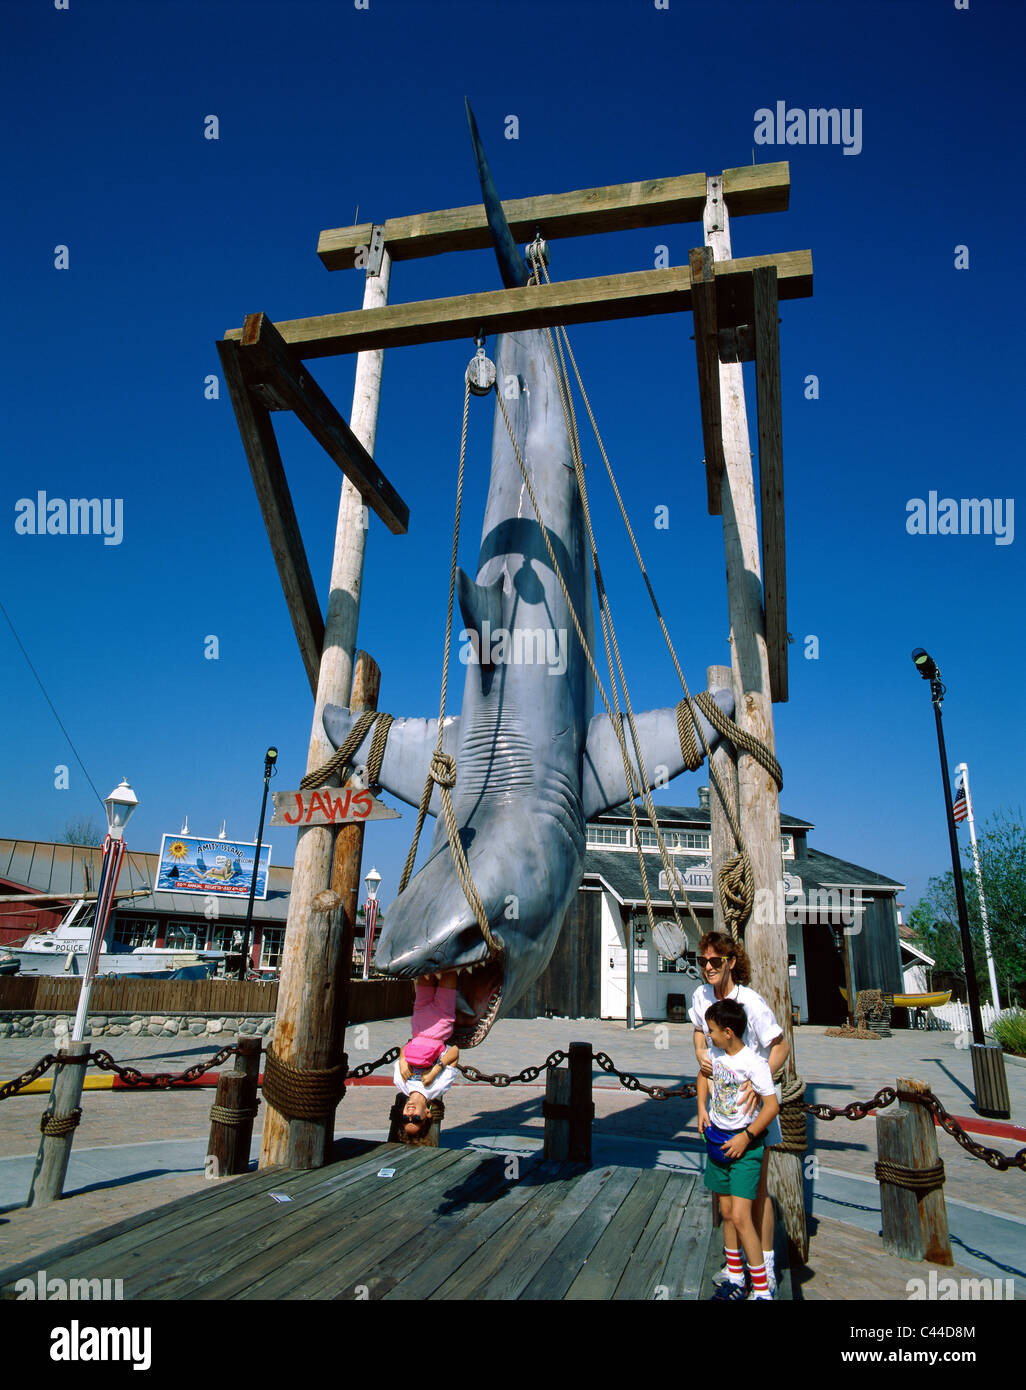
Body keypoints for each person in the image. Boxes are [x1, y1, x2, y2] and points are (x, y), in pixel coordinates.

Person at [689, 930, 789, 1294]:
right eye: (703, 962)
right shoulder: (701, 996)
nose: (709, 968)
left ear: (731, 962)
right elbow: (700, 1032)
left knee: (756, 1195)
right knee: (725, 1199)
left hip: (751, 1113)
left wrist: (759, 1083)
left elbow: (779, 1045)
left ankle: (766, 1269)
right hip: (719, 1112)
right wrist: (701, 1053)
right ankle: (735, 1273)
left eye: (716, 961)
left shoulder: (750, 1001)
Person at [697, 998, 779, 1301]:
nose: (709, 1035)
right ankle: (735, 1276)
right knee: (727, 1212)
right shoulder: (715, 1055)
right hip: (718, 1140)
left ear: (728, 1032)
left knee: (743, 1216)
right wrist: (701, 1108)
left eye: (713, 1030)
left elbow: (771, 1106)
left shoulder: (754, 1063)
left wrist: (747, 1136)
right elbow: (703, 1077)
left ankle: (761, 1289)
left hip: (744, 1145)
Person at [394, 971, 461, 1143]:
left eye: (405, 1118)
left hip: (418, 1024)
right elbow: (454, 1052)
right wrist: (434, 1071)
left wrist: (402, 1062)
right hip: (440, 1024)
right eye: (416, 1119)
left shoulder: (401, 1083)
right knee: (450, 971)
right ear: (427, 1114)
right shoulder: (437, 1088)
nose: (410, 1114)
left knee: (425, 969)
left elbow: (405, 1049)